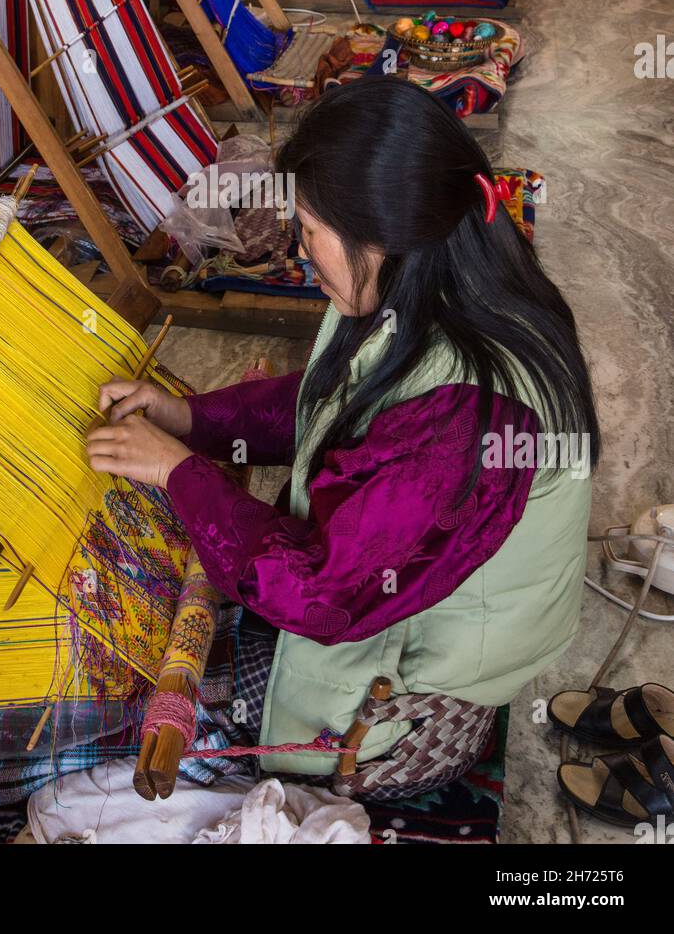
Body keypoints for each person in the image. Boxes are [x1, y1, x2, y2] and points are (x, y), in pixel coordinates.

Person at [87, 76, 598, 799]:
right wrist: (191, 422)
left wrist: (179, 474)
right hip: (390, 622)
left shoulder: (471, 416)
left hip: (403, 716)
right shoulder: (433, 281)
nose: (298, 253)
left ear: (381, 234)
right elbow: (328, 401)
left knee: (104, 720)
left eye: (309, 231)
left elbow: (325, 596)